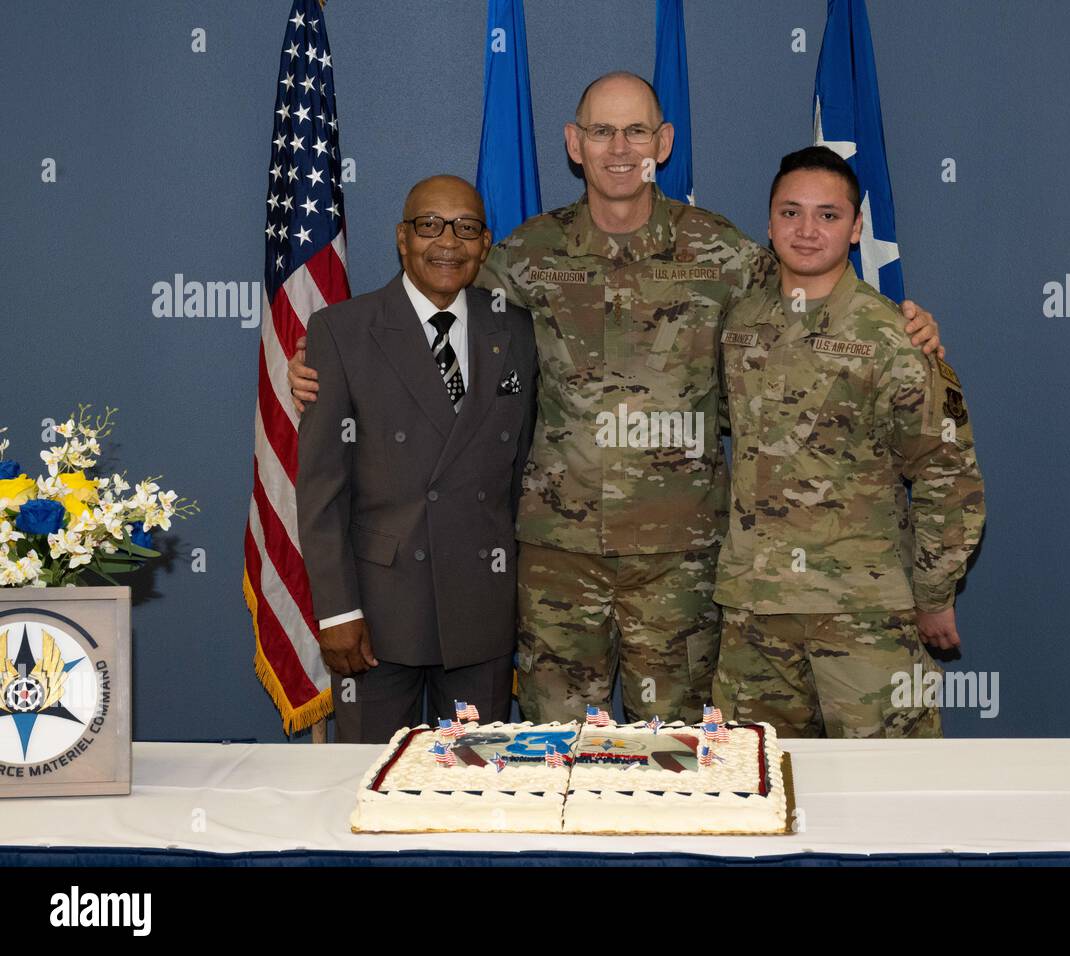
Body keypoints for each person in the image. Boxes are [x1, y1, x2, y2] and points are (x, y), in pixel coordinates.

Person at [290, 72, 945, 725]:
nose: (619, 147)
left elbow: (816, 295)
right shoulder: (527, 254)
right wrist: (334, 357)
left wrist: (903, 325)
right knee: (553, 761)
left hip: (679, 566)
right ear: (575, 143)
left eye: (636, 131)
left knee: (676, 760)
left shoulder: (721, 252)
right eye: (602, 131)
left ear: (662, 142)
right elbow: (434, 293)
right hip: (558, 566)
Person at [711, 146, 985, 738]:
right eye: (791, 213)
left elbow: (947, 475)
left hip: (863, 618)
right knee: (756, 799)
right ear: (768, 223)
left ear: (857, 226)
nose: (807, 230)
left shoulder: (894, 336)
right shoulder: (738, 324)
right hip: (755, 615)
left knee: (891, 806)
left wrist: (934, 594)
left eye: (828, 215)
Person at [296, 175, 537, 743]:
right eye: (429, 225)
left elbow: (522, 468)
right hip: (379, 617)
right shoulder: (342, 331)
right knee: (371, 783)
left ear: (485, 244)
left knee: (478, 792)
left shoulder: (517, 329)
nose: (447, 241)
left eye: (467, 227)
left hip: (481, 610)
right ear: (402, 238)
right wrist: (337, 612)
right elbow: (322, 491)